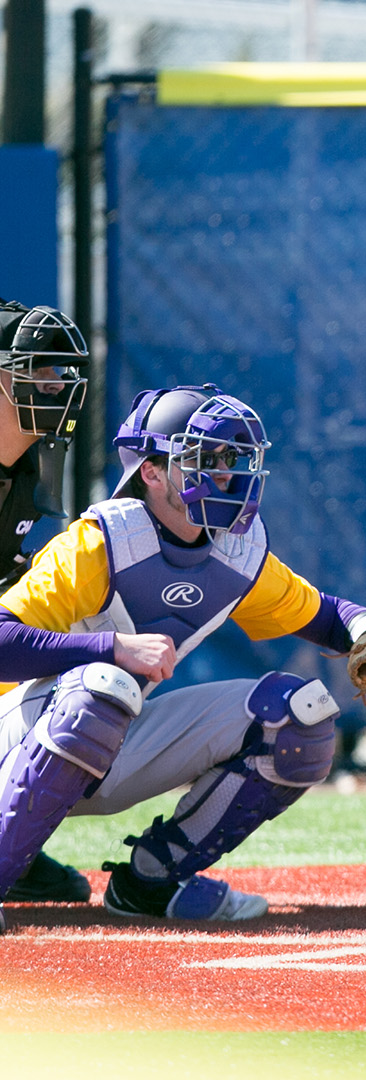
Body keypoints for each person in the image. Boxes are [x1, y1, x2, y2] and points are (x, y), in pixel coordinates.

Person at [0, 384, 366, 930]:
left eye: (233, 457)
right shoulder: (98, 544)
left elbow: (325, 615)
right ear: (152, 472)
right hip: (18, 735)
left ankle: (149, 881)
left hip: (97, 738)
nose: (227, 472)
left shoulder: (235, 550)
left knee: (301, 715)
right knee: (103, 686)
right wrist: (111, 647)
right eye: (205, 458)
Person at [0, 300, 95, 906]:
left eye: (61, 373)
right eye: (38, 371)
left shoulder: (35, 463)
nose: (57, 386)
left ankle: (10, 838)